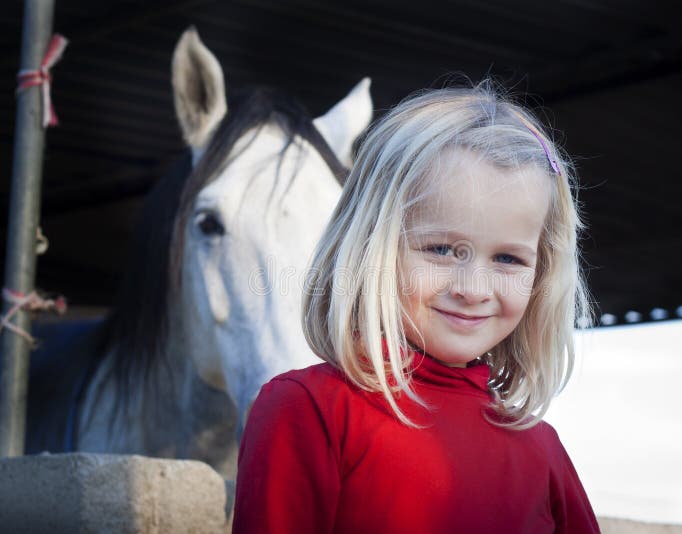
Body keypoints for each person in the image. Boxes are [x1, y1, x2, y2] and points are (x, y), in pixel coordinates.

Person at [233, 81, 600, 533]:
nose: (473, 288)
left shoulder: (542, 448)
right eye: (442, 249)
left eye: (508, 258)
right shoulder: (307, 410)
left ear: (541, 274)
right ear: (369, 247)